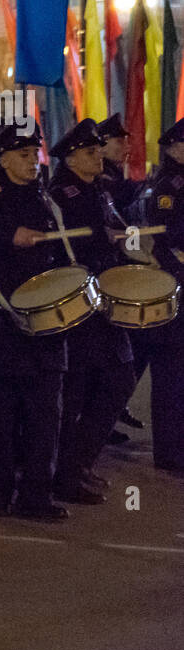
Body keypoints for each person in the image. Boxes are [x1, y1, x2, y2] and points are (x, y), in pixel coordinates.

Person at [0, 124, 70, 519]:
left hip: (46, 318)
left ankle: (37, 495)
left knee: (45, 415)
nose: (32, 162)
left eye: (34, 154)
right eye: (23, 155)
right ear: (3, 159)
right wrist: (9, 235)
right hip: (1, 323)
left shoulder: (46, 196)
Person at [48, 119, 135, 504]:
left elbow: (114, 226)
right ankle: (65, 474)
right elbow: (67, 248)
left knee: (119, 380)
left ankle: (78, 464)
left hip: (105, 299)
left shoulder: (99, 187)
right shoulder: (61, 193)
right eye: (89, 152)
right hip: (80, 303)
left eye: (99, 150)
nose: (98, 156)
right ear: (70, 158)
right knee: (77, 394)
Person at [136, 118, 184, 473]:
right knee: (171, 372)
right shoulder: (169, 185)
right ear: (172, 148)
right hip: (174, 282)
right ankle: (170, 452)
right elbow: (170, 233)